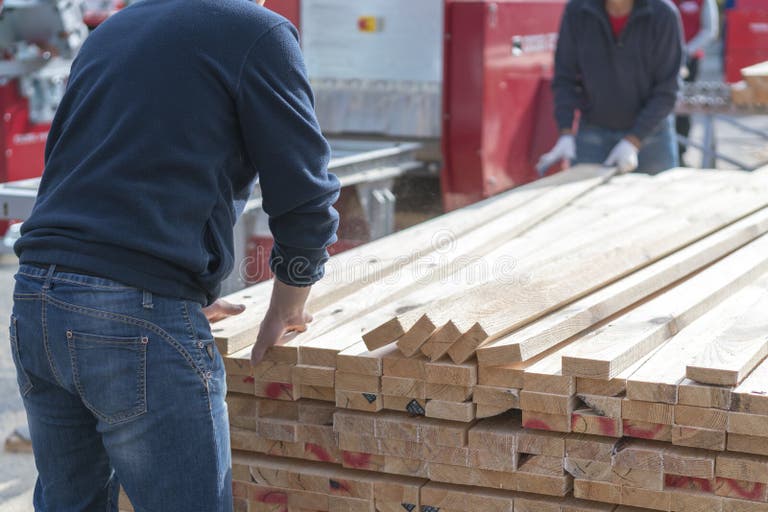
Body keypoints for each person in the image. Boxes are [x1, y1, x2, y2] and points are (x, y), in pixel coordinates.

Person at [9, 0, 340, 510]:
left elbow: (86, 171)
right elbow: (305, 196)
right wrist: (288, 303)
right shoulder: (259, 31)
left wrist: (176, 287)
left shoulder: (113, 30)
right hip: (133, 316)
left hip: (37, 300)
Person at [537, 0, 685, 175]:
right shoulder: (578, 10)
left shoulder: (663, 14)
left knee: (657, 199)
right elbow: (564, 77)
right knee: (587, 201)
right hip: (592, 134)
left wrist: (633, 140)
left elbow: (668, 90)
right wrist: (566, 132)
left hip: (652, 136)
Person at [674, 0, 719, 164]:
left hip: (690, 60)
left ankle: (680, 152)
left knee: (684, 107)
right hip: (660, 56)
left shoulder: (704, 2)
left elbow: (710, 30)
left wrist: (686, 51)